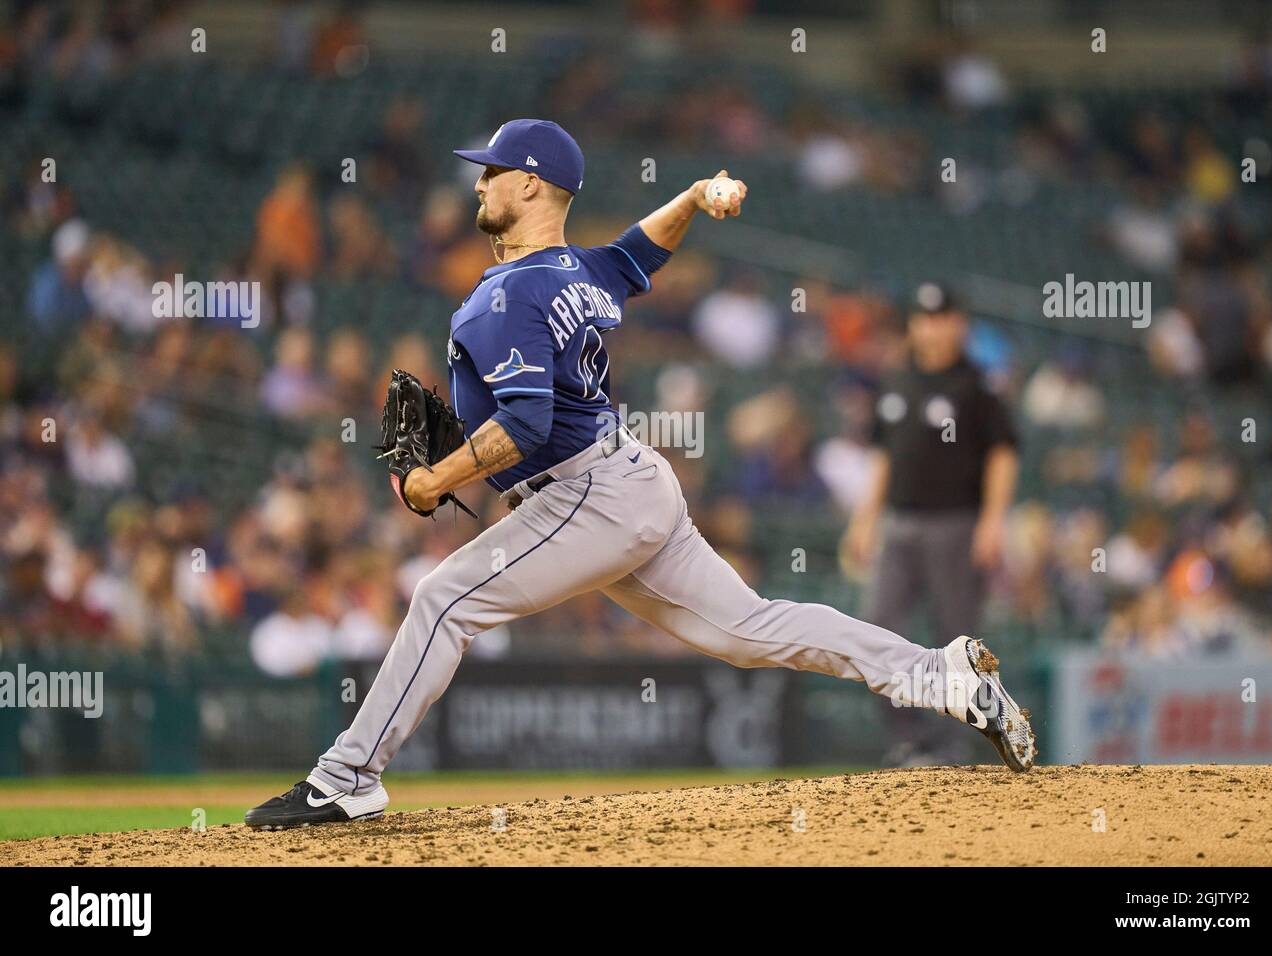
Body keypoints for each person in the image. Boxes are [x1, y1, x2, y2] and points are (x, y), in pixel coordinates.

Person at [245, 120, 1035, 829]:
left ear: (529, 184)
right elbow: (637, 252)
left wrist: (429, 481)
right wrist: (691, 197)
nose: (478, 183)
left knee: (442, 598)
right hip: (628, 484)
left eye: (491, 171)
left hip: (587, 493)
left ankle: (347, 776)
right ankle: (937, 674)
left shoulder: (507, 296)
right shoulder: (577, 273)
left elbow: (524, 426)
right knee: (754, 629)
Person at [840, 284, 1019, 647]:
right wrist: (864, 520)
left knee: (957, 636)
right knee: (878, 626)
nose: (932, 328)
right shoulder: (895, 380)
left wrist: (993, 520)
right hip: (899, 521)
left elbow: (1002, 453)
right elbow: (883, 455)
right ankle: (903, 707)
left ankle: (963, 706)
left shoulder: (977, 385)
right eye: (924, 319)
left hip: (955, 523)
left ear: (959, 325)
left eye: (941, 319)